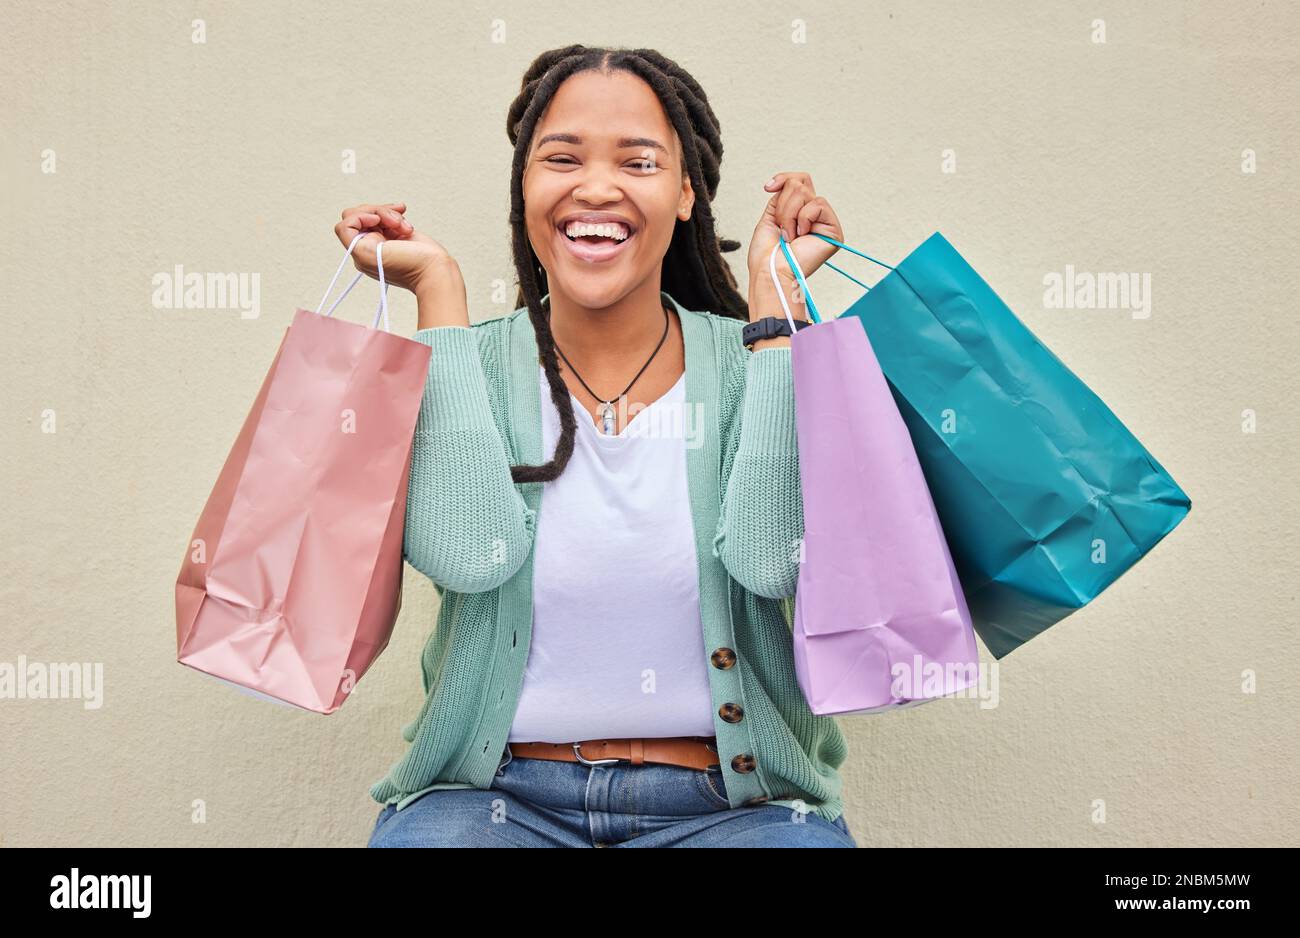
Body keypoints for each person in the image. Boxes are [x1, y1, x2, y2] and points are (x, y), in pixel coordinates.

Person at [346, 44, 854, 847]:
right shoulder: (464, 361)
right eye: (562, 157)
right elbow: (468, 556)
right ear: (525, 187)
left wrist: (777, 316)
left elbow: (772, 562)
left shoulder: (758, 356)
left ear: (687, 194)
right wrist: (436, 296)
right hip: (493, 801)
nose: (596, 187)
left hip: (734, 808)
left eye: (639, 161)